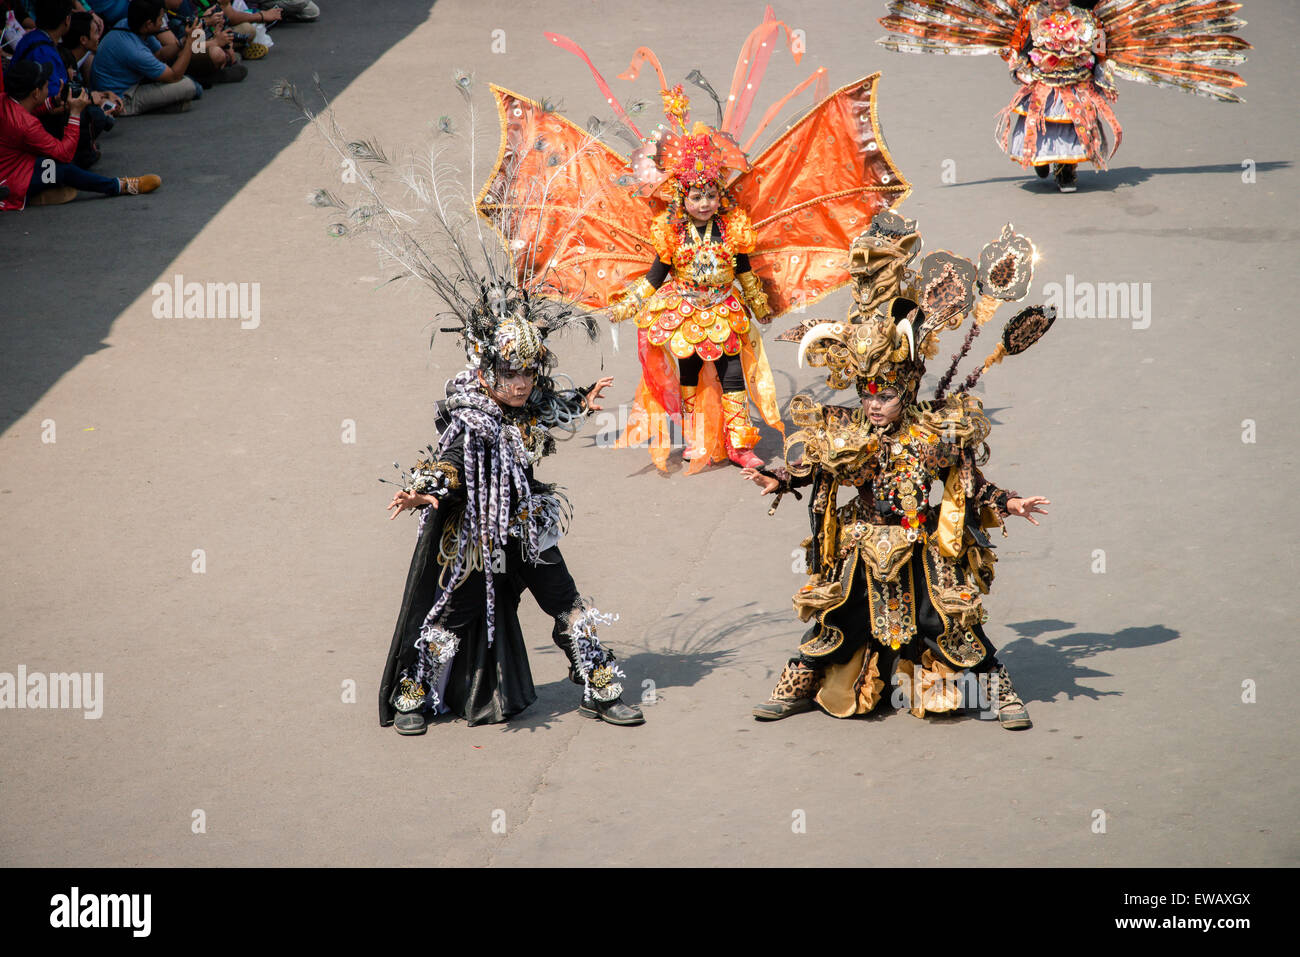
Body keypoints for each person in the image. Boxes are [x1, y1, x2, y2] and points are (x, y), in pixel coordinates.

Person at [285, 70, 645, 733]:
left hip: (526, 521)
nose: (520, 383)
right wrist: (423, 491)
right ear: (486, 372)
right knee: (449, 615)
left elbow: (546, 411)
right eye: (512, 373)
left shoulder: (525, 399)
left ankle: (598, 683)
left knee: (566, 601)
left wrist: (576, 403)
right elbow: (448, 461)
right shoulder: (472, 416)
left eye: (529, 372)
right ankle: (414, 694)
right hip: (475, 530)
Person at [481, 19, 911, 475]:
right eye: (695, 195)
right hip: (682, 314)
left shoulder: (735, 228)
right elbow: (656, 275)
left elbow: (744, 269)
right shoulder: (670, 232)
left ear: (719, 195)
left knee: (733, 381)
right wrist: (628, 302)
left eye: (710, 194)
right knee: (688, 381)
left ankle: (741, 444)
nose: (704, 202)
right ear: (682, 197)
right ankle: (695, 441)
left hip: (726, 311)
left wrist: (760, 301)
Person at [746, 212, 1056, 729]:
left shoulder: (934, 433)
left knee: (948, 622)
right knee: (838, 618)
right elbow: (816, 462)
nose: (873, 406)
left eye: (884, 396)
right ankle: (798, 682)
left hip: (918, 542)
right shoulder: (852, 429)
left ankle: (1000, 691)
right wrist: (780, 478)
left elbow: (969, 482)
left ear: (906, 391)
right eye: (867, 395)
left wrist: (1008, 503)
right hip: (863, 541)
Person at [877, 0, 1250, 192]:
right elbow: (1018, 46)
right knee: (1039, 130)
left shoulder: (1088, 20)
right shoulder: (1032, 15)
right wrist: (1020, 65)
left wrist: (1100, 73)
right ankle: (1042, 162)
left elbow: (1100, 50)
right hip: (1043, 81)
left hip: (1075, 84)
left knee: (1073, 133)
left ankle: (1066, 171)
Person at [1, 57, 158, 209]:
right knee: (60, 168)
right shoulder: (26, 125)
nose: (49, 84)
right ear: (35, 93)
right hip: (10, 180)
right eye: (45, 84)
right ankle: (118, 186)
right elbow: (64, 154)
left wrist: (54, 101)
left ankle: (41, 193)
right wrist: (75, 114)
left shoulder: (5, 100)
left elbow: (27, 109)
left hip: (11, 163)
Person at [89, 0, 201, 115]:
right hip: (121, 97)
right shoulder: (135, 51)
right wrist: (190, 44)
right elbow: (174, 77)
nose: (162, 23)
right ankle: (133, 108)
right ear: (149, 24)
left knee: (191, 89)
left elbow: (160, 54)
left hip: (131, 83)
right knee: (189, 86)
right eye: (160, 19)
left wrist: (183, 41)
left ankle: (162, 105)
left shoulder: (130, 25)